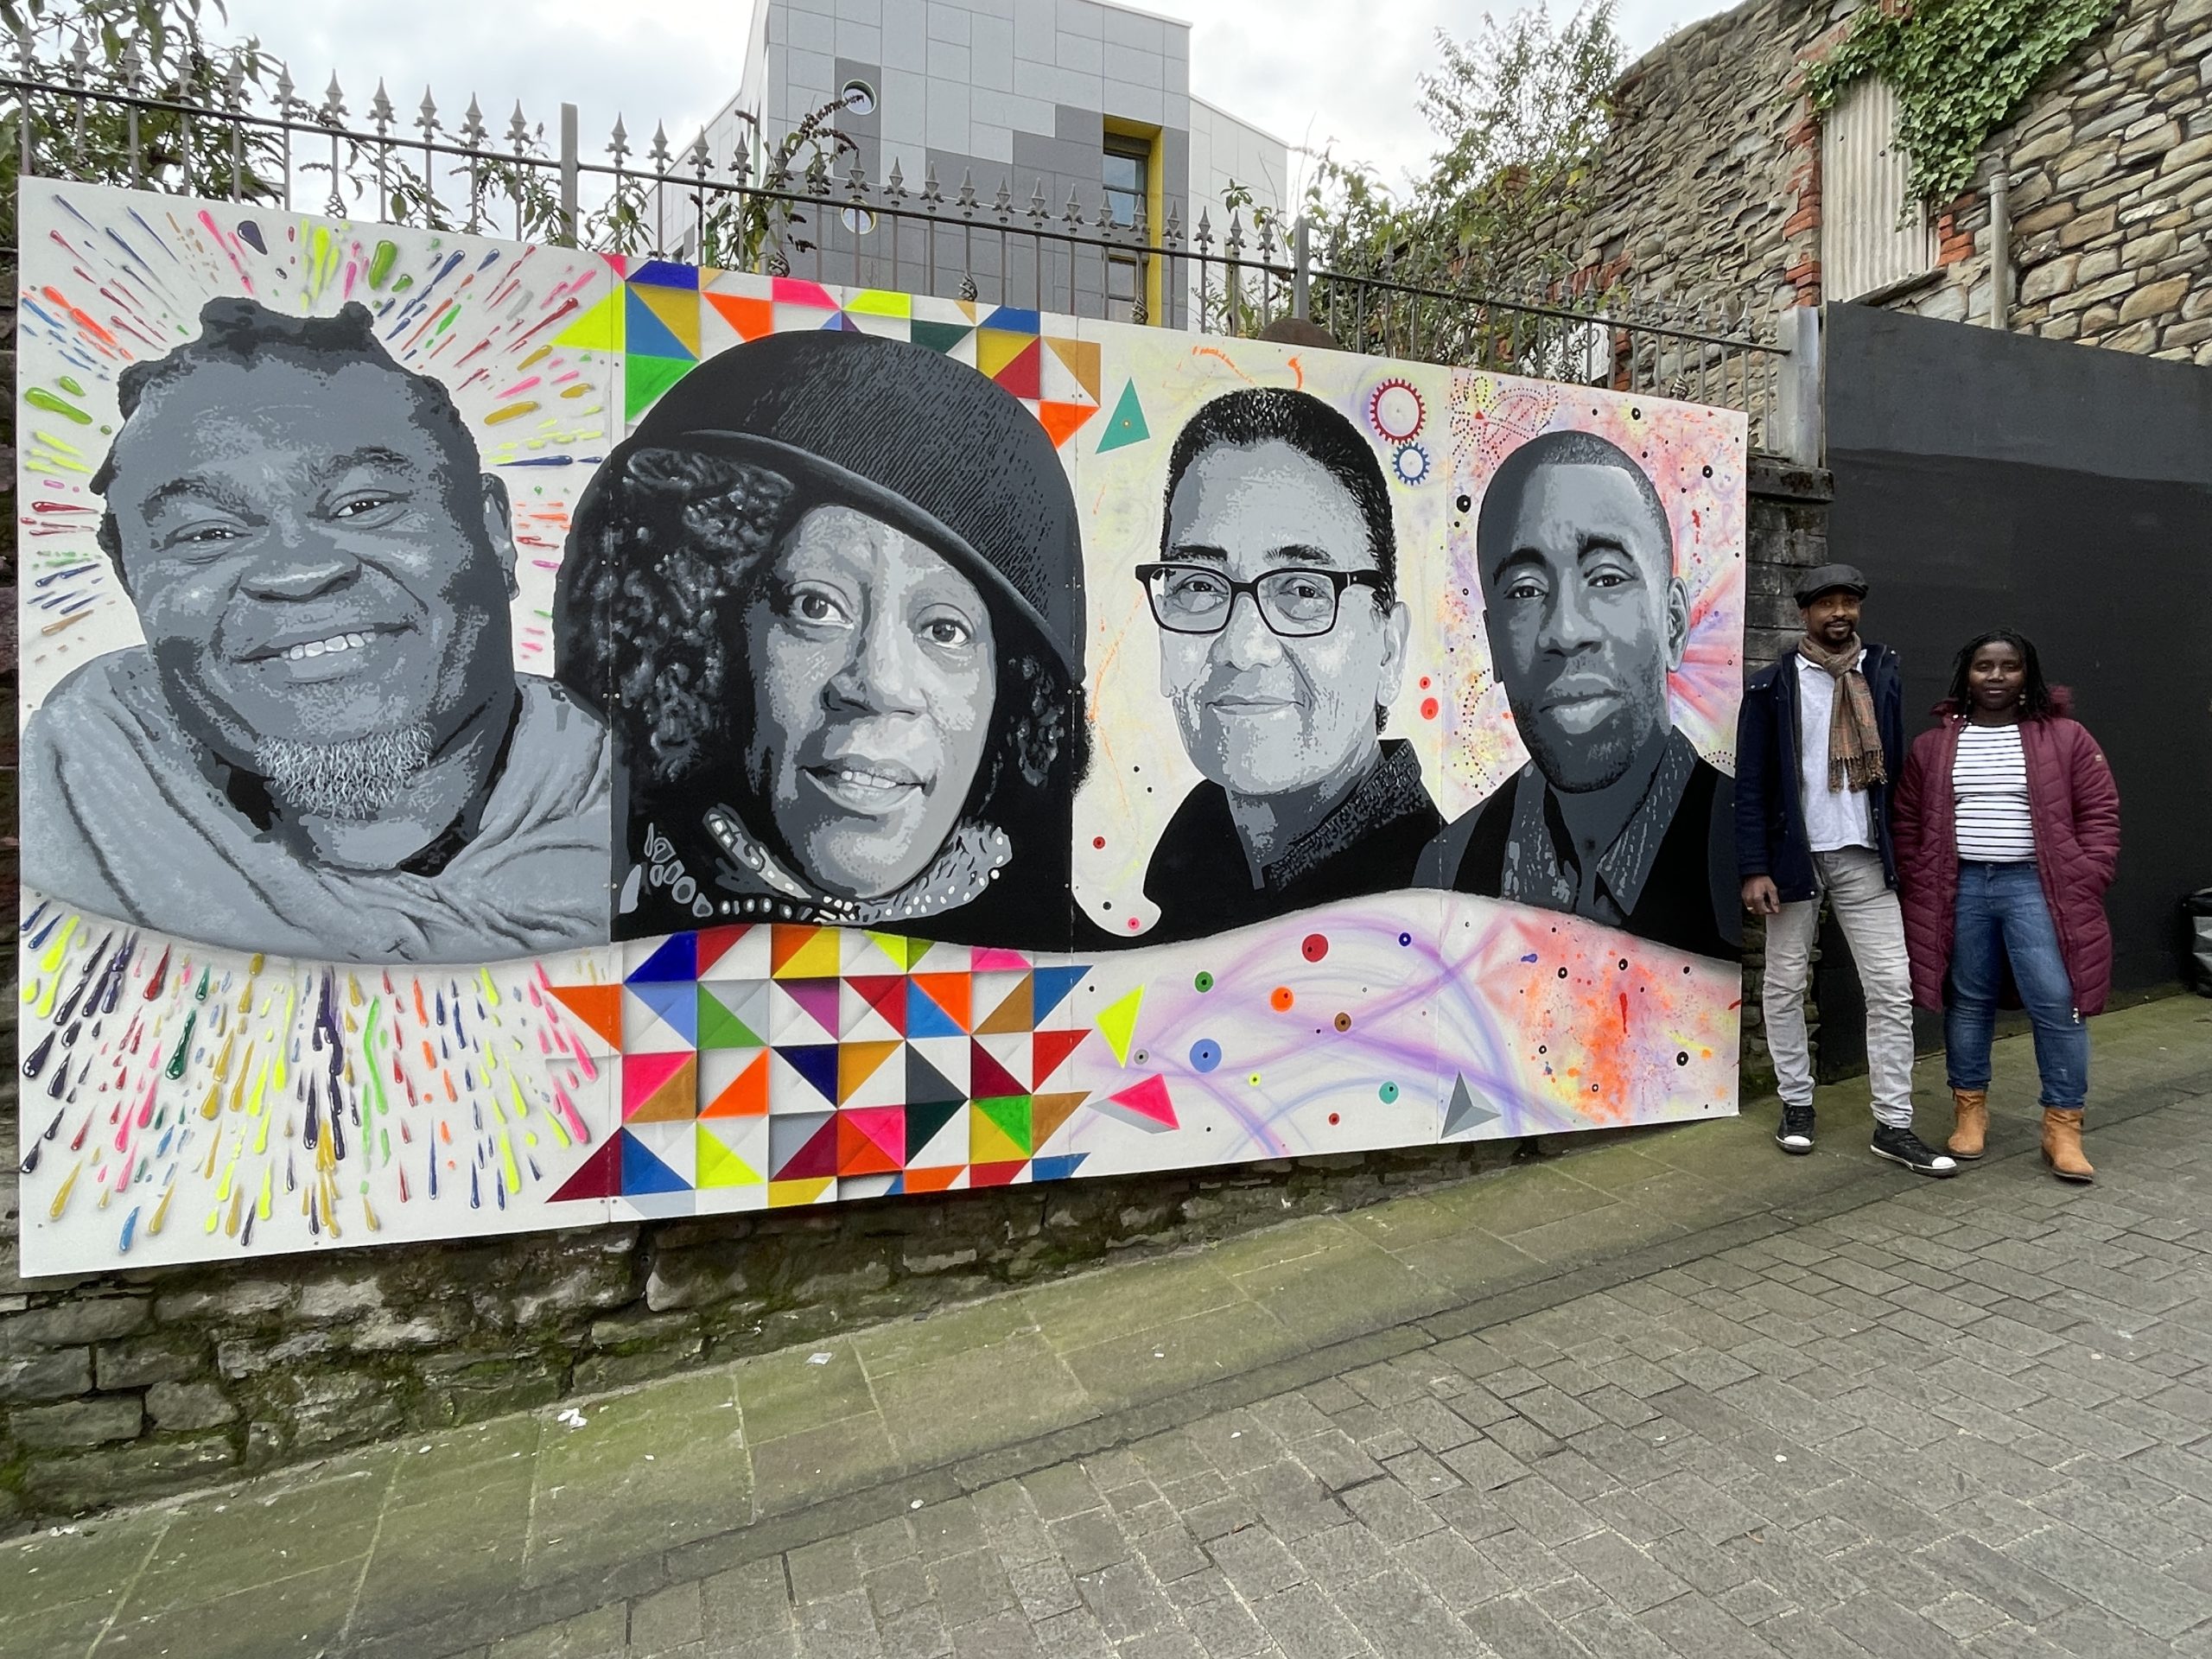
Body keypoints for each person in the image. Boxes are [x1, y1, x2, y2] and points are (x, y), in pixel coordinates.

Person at [21, 298, 613, 964]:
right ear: (133, 584)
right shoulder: (88, 779)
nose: (296, 571)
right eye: (207, 533)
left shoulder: (671, 829)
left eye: (363, 504)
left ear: (495, 534)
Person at [556, 329, 1089, 948]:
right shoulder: (582, 936)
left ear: (1013, 697)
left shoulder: (1085, 982)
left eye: (945, 629)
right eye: (817, 606)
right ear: (712, 638)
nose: (879, 683)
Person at [1135, 386, 1440, 941]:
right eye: (1200, 586)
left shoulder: (1440, 918)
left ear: (1388, 651)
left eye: (1303, 589)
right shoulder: (1180, 878)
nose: (1243, 647)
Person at [1421, 429, 1738, 959]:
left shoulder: (1733, 844)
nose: (1565, 630)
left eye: (1607, 578)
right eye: (1524, 591)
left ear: (1675, 624)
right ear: (1495, 643)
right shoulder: (1450, 871)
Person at [1736, 563, 1955, 1174]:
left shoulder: (1879, 673)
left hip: (1864, 857)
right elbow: (1752, 784)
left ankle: (1894, 1124)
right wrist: (1754, 866)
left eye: (1849, 603)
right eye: (1826, 603)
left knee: (1891, 989)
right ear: (1805, 613)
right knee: (1782, 988)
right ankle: (1797, 1104)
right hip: (1795, 859)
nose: (1839, 613)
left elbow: (1898, 772)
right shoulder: (1771, 686)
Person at [1893, 632, 2120, 1183]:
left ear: (2027, 676)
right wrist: (1921, 872)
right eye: (1983, 667)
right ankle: (1970, 1114)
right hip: (1962, 886)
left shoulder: (2065, 737)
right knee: (1968, 1000)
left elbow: (2100, 812)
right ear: (1965, 676)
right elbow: (1906, 819)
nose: (1995, 677)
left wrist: (2086, 874)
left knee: (2057, 1000)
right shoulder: (1934, 745)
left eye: (2009, 667)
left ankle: (2062, 1126)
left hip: (2036, 889)